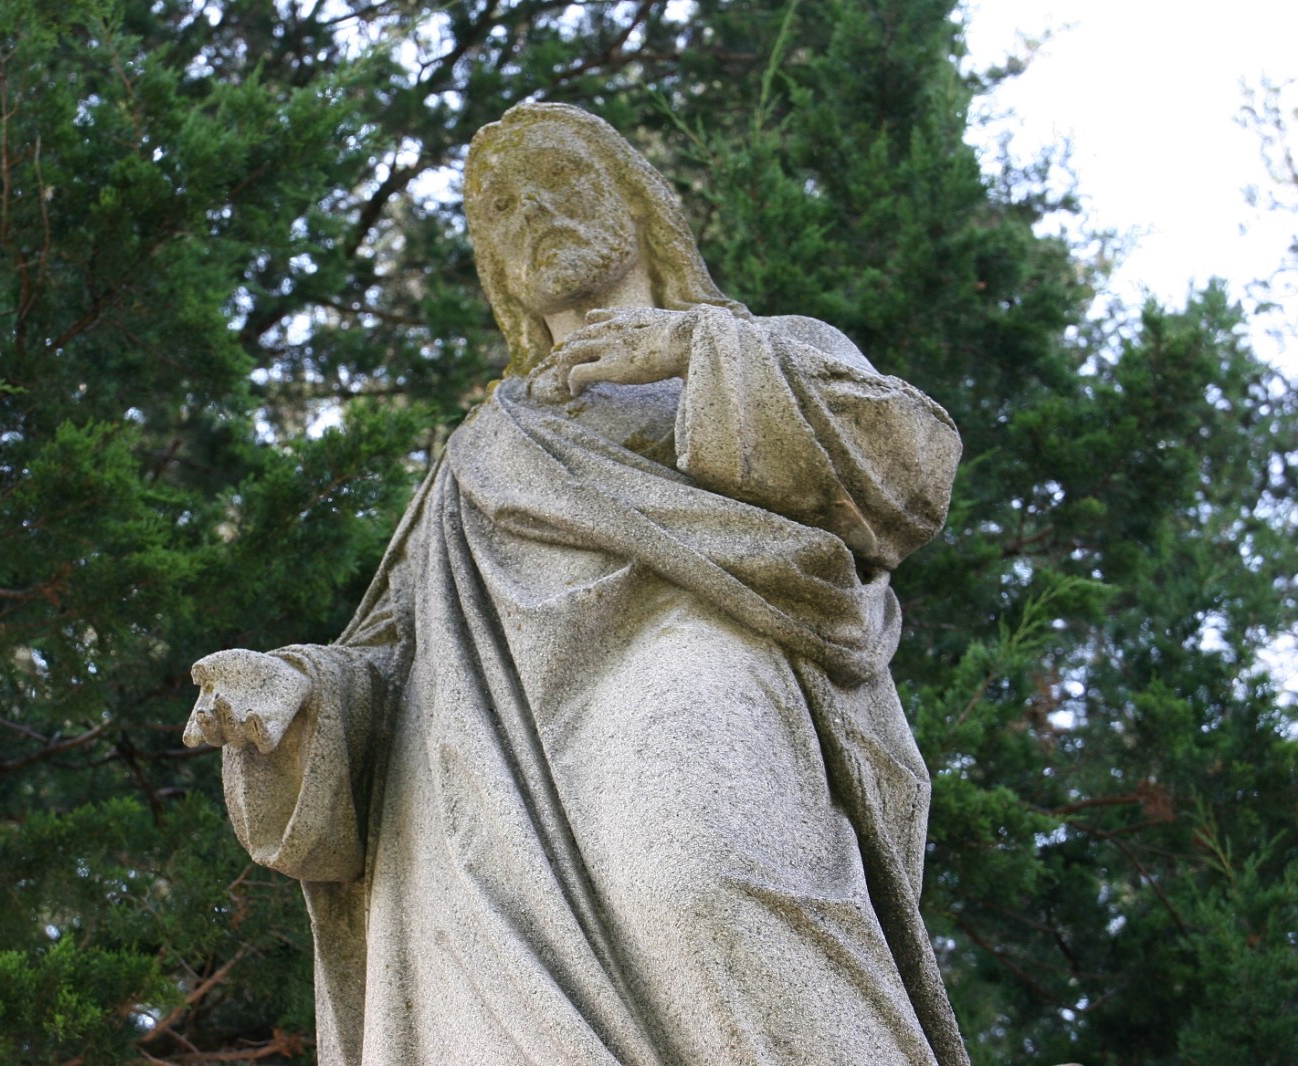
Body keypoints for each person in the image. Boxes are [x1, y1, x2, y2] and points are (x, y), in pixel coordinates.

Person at [184, 101, 971, 1066]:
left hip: (690, 660)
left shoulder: (763, 346)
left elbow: (908, 475)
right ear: (498, 272)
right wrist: (298, 693)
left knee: (703, 878)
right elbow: (400, 655)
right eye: (505, 208)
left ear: (638, 205)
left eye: (562, 179)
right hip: (491, 770)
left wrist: (690, 354)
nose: (536, 212)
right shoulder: (485, 451)